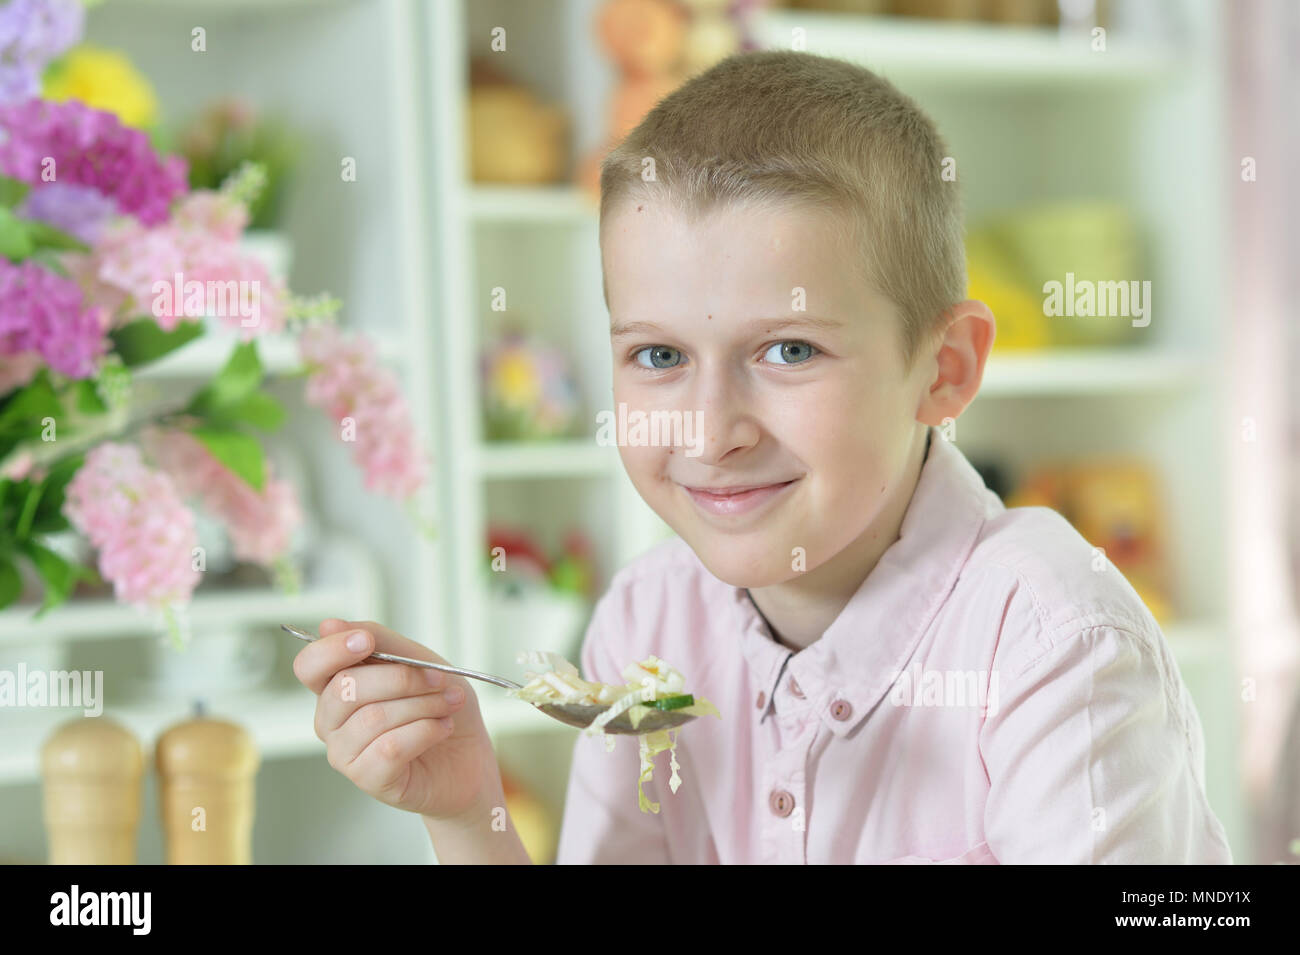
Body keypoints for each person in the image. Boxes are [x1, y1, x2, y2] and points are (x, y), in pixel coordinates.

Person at [293, 50, 1232, 864]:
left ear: (943, 369)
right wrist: (468, 809)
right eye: (658, 357)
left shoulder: (1049, 641)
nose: (710, 433)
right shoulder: (646, 619)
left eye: (788, 351)